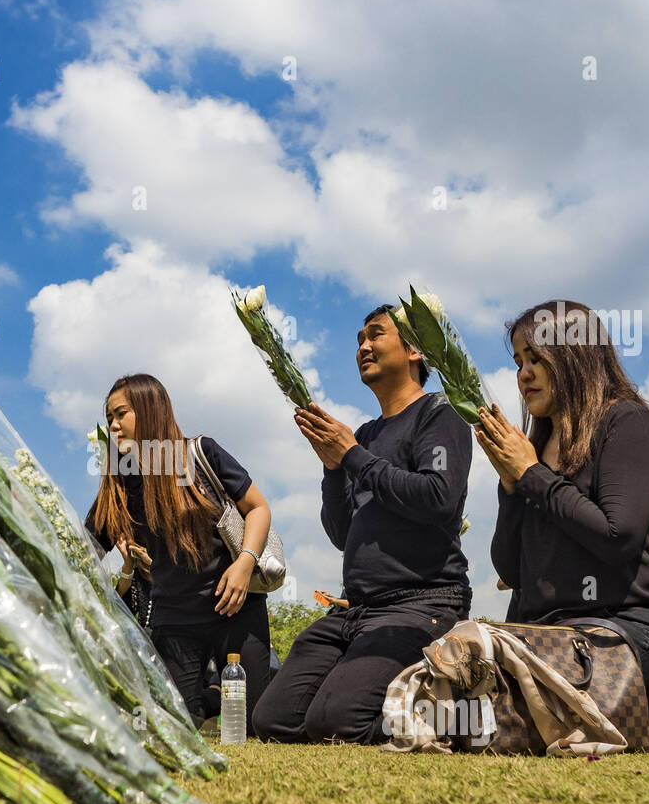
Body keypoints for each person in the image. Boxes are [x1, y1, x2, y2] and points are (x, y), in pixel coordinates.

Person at [476, 300, 649, 744]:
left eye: (537, 358)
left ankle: (643, 718)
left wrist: (532, 476)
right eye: (519, 361)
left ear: (575, 355)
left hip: (632, 626)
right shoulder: (534, 447)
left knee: (510, 715)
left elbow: (618, 537)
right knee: (462, 679)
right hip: (547, 637)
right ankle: (635, 715)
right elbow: (510, 571)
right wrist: (511, 489)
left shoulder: (625, 422)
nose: (524, 373)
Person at [252, 304, 472, 744]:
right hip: (355, 610)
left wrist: (351, 456)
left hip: (420, 605)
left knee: (336, 722)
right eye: (358, 340)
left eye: (375, 334)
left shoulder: (440, 413)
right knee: (271, 720)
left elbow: (439, 498)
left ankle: (459, 717)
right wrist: (333, 468)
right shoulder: (367, 435)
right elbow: (340, 533)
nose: (363, 346)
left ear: (415, 351)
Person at [85, 373, 274, 729]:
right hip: (173, 624)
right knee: (175, 723)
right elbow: (82, 554)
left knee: (256, 722)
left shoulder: (200, 453)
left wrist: (245, 564)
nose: (112, 425)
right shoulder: (118, 485)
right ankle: (212, 696)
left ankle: (241, 688)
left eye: (121, 414)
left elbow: (258, 509)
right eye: (109, 417)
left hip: (235, 610)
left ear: (150, 409)